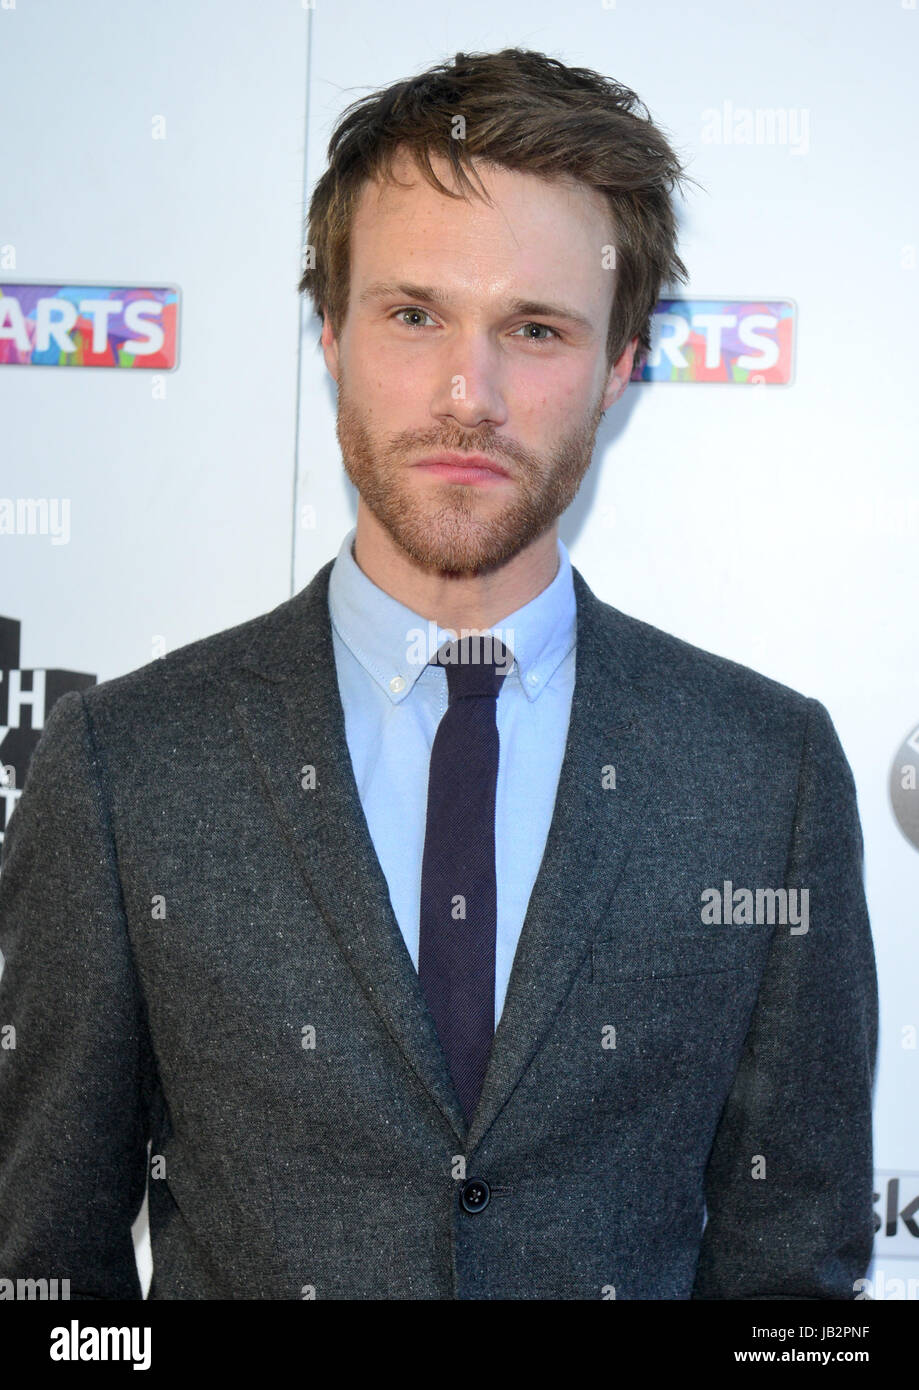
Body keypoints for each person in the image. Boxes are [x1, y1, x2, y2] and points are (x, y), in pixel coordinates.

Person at [0, 48, 877, 1300]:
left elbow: (792, 1286)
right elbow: (44, 1281)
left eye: (534, 329)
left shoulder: (765, 773)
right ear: (331, 333)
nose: (469, 394)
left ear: (622, 362)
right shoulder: (121, 767)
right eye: (414, 315)